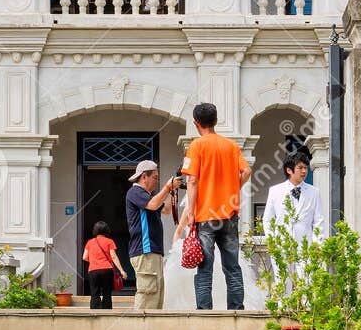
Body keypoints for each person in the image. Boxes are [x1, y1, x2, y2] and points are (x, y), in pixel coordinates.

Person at [175, 101, 251, 310]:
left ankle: (204, 312)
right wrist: (233, 188)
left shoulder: (196, 146)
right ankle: (236, 310)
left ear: (195, 123)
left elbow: (192, 180)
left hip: (205, 216)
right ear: (216, 120)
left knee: (204, 268)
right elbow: (247, 171)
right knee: (232, 267)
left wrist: (191, 212)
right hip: (229, 214)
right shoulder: (231, 146)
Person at [124, 159, 177, 312]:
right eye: (155, 177)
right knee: (148, 294)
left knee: (157, 295)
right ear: (143, 177)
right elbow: (153, 205)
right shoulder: (135, 192)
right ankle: (139, 326)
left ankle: (151, 326)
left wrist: (172, 191)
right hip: (145, 250)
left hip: (153, 252)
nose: (157, 181)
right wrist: (167, 187)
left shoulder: (148, 196)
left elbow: (167, 210)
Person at [262, 154, 325, 245]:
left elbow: (318, 221)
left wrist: (317, 245)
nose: (304, 171)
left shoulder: (314, 192)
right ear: (289, 170)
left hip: (306, 247)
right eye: (300, 168)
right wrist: (272, 243)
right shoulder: (275, 191)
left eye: (305, 168)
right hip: (282, 247)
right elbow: (268, 219)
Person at [82, 220, 122, 310]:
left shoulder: (90, 242)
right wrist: (121, 270)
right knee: (107, 293)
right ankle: (107, 312)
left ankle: (95, 313)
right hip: (107, 270)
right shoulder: (110, 241)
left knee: (94, 293)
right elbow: (114, 257)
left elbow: (84, 257)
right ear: (106, 230)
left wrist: (94, 261)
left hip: (93, 270)